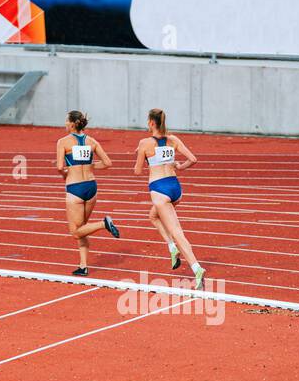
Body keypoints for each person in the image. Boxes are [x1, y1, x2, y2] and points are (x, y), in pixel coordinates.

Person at [133, 108, 206, 290]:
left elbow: (137, 171)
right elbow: (193, 159)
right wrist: (179, 166)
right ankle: (172, 248)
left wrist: (140, 155)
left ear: (151, 122)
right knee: (153, 216)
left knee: (177, 232)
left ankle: (196, 268)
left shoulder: (144, 143)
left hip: (159, 189)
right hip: (175, 188)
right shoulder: (173, 140)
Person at [55, 110, 119, 276]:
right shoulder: (92, 141)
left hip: (75, 188)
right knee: (82, 228)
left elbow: (60, 167)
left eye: (66, 121)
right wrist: (90, 167)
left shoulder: (63, 142)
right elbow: (107, 163)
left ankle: (103, 224)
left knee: (75, 231)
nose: (64, 124)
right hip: (91, 187)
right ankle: (83, 266)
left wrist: (65, 173)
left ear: (72, 123)